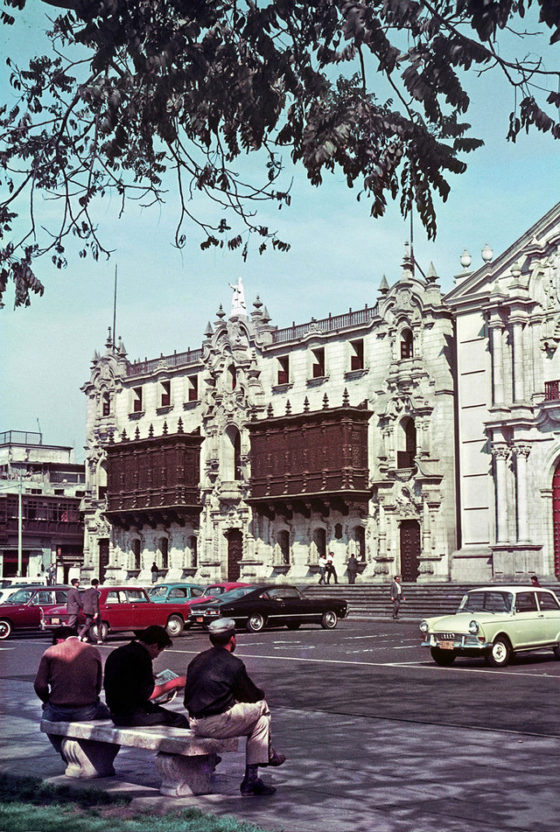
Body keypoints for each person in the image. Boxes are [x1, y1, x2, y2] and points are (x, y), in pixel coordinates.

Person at [184, 618, 285, 797]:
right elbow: (252, 695)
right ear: (232, 639)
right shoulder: (233, 664)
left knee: (261, 722)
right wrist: (261, 695)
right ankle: (262, 762)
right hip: (215, 723)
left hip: (194, 721)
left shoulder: (197, 659)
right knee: (262, 707)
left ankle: (253, 778)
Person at [34, 626, 109, 750]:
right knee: (107, 715)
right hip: (88, 710)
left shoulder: (51, 652)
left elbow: (39, 685)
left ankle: (63, 751)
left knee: (47, 717)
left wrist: (47, 701)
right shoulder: (93, 651)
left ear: (59, 640)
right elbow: (97, 686)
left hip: (58, 711)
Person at [104, 625, 189, 728]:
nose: (157, 655)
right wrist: (175, 682)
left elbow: (127, 679)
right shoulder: (142, 656)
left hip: (116, 711)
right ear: (154, 646)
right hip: (130, 715)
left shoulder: (120, 652)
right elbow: (149, 694)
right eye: (159, 651)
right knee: (180, 720)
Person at [78, 578, 101, 643]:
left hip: (86, 610)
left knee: (87, 624)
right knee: (99, 625)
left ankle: (80, 636)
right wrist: (96, 612)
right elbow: (95, 602)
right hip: (93, 610)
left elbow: (84, 600)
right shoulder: (95, 592)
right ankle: (99, 639)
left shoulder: (87, 591)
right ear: (97, 584)